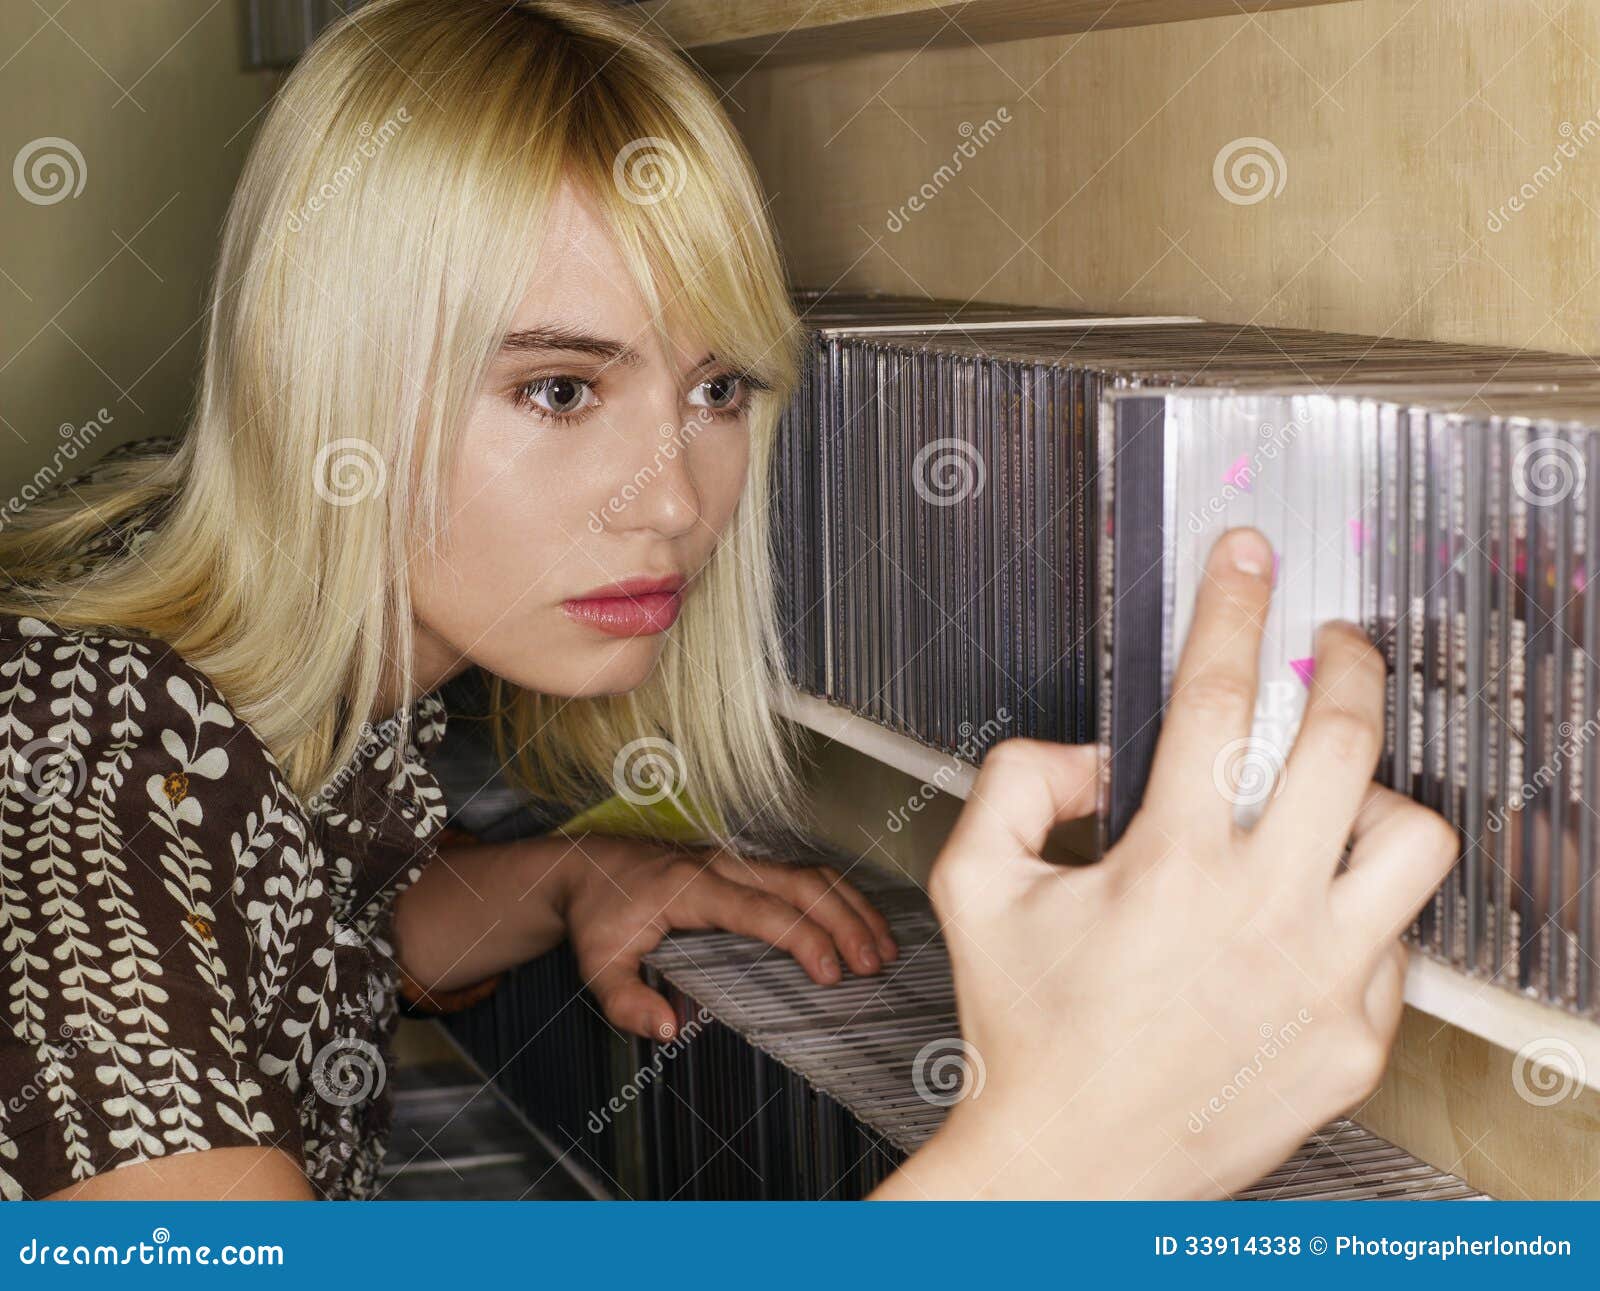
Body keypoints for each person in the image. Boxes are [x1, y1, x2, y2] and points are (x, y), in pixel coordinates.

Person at [0, 0, 1455, 1201]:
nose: (676, 497)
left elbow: (241, 925)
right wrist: (1075, 1156)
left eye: (715, 389)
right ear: (320, 392)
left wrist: (562, 880)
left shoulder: (229, 666)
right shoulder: (76, 743)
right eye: (557, 389)